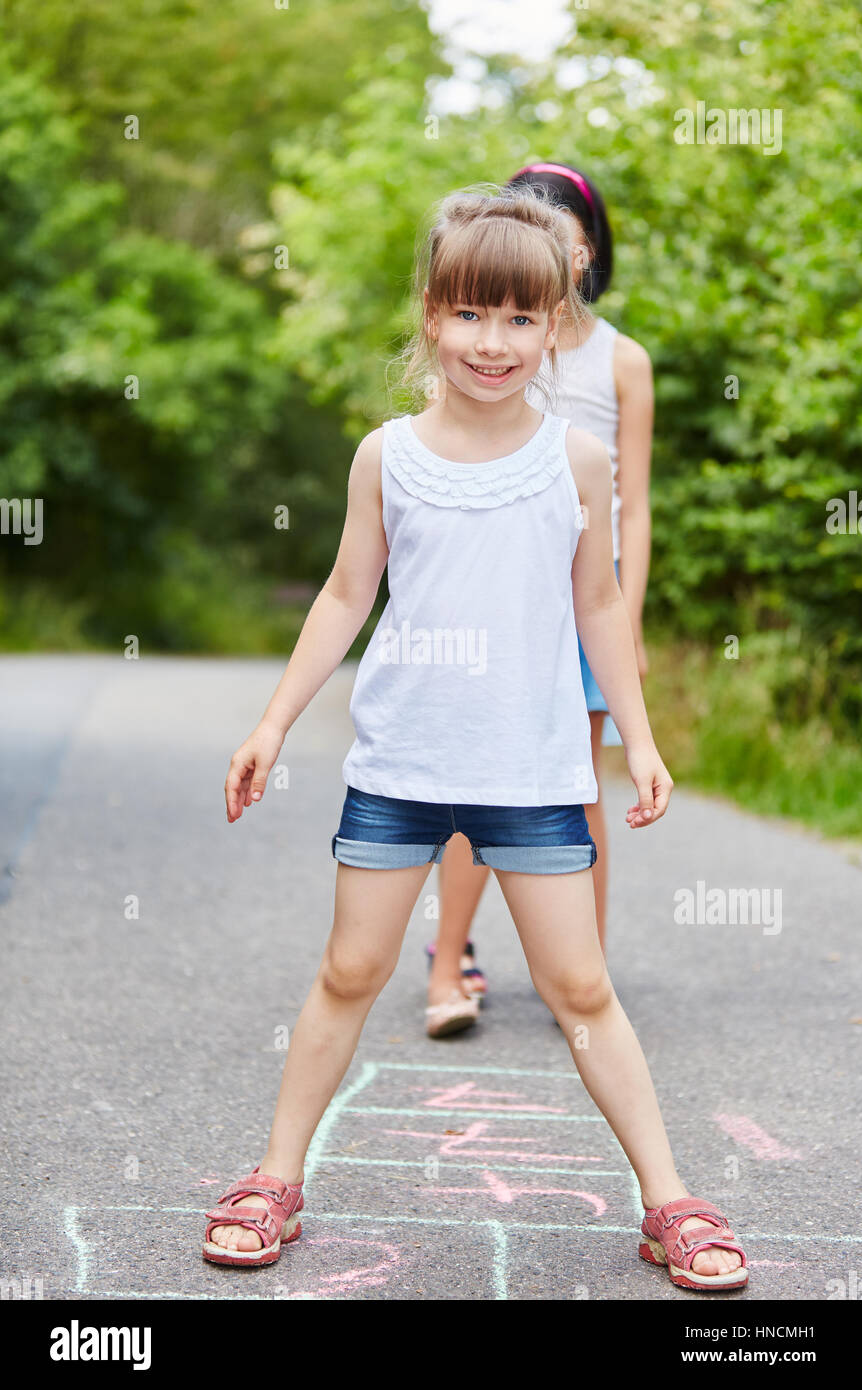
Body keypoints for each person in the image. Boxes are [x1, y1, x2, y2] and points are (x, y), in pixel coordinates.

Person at [201, 186, 747, 1292]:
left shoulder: (574, 458)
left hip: (532, 769)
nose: (489, 343)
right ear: (429, 317)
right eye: (466, 315)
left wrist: (635, 742)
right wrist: (271, 721)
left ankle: (669, 1200)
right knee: (349, 968)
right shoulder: (385, 454)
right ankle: (273, 1177)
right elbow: (346, 593)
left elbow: (599, 605)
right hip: (401, 765)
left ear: (552, 327)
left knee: (579, 988)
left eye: (516, 320)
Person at [427, 163, 653, 1036]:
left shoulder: (620, 358)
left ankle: (581, 980)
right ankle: (448, 964)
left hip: (588, 592)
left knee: (577, 786)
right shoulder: (490, 348)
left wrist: (626, 621)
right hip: (503, 588)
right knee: (473, 778)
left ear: (585, 248)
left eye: (562, 222)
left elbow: (637, 501)